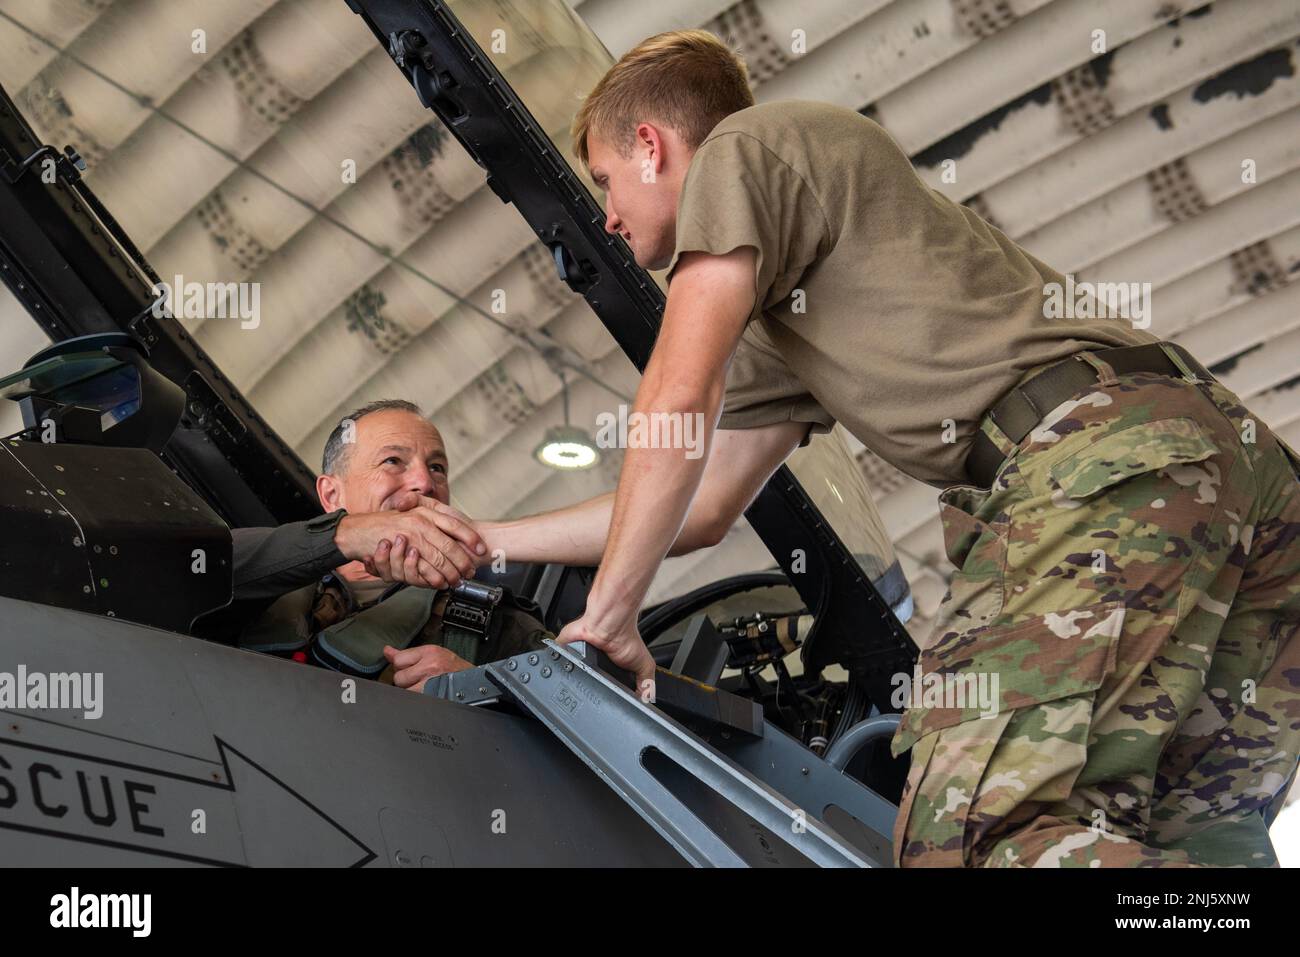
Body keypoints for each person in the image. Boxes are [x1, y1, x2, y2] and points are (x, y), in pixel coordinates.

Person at [447, 30, 1300, 867]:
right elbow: (704, 507)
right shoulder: (793, 303)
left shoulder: (744, 149)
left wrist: (608, 618)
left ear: (651, 145)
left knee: (970, 838)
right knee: (1185, 841)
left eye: (605, 180)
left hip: (1104, 463)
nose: (604, 214)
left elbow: (676, 398)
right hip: (1222, 470)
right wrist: (485, 538)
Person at [229, 399, 548, 690]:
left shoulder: (497, 624)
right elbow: (193, 563)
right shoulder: (267, 579)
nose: (424, 483)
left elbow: (583, 711)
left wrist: (479, 688)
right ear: (331, 495)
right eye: (393, 460)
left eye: (437, 468)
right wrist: (345, 535)